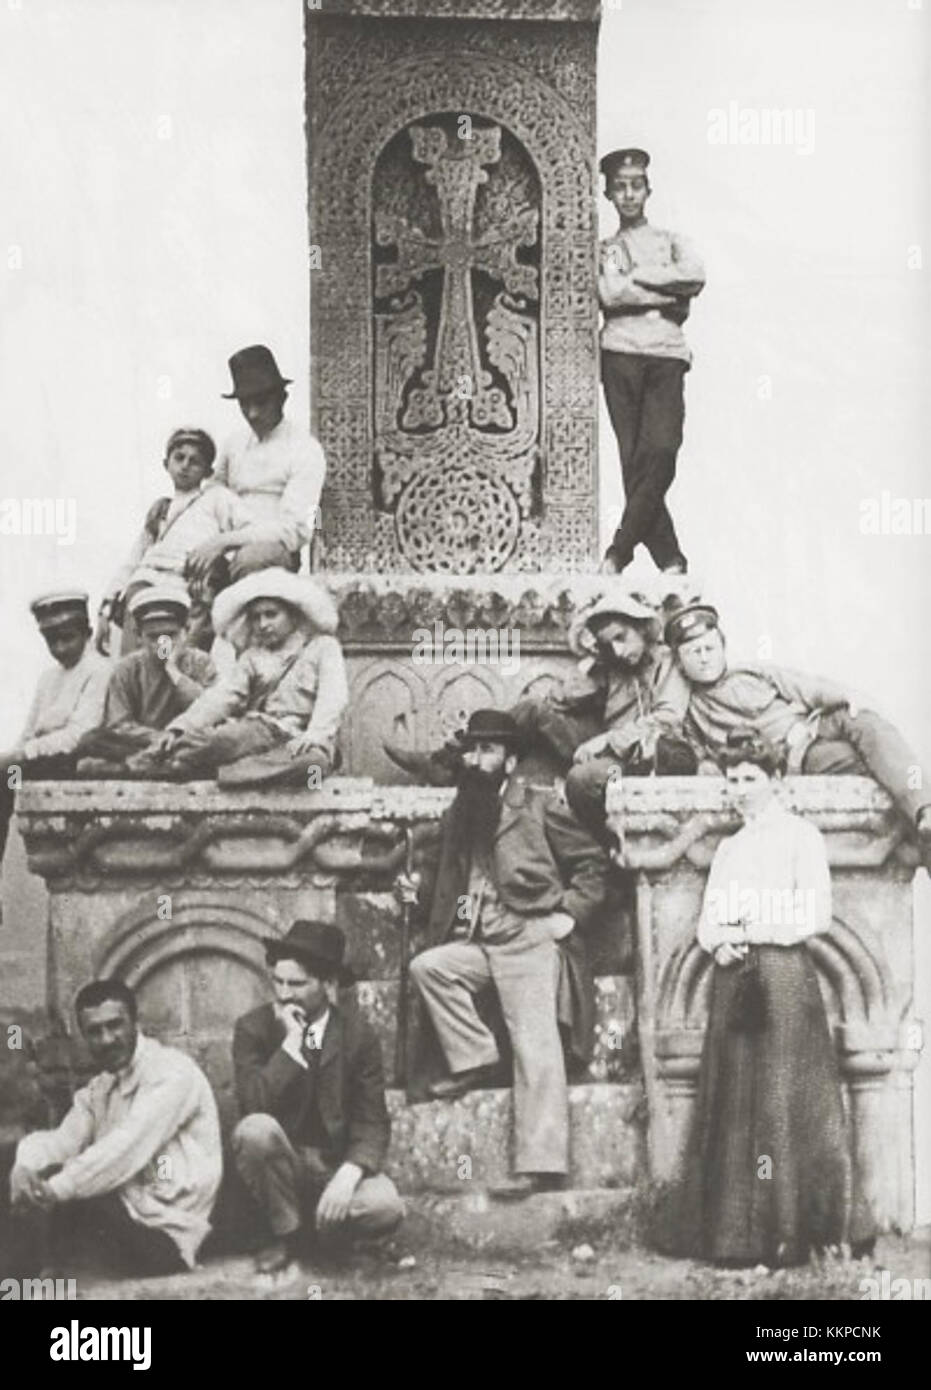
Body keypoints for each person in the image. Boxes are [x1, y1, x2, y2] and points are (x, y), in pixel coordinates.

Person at [656, 731, 875, 1265]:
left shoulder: (800, 837)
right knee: (735, 1098)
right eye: (733, 779)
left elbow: (815, 915)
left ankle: (793, 1230)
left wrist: (757, 929)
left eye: (750, 778)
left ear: (775, 782)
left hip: (781, 977)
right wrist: (721, 940)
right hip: (735, 979)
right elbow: (709, 916)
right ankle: (737, 1235)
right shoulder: (731, 846)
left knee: (780, 1097)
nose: (740, 788)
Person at [405, 710, 610, 1198]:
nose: (477, 761)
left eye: (488, 751)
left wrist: (569, 917)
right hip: (479, 937)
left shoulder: (537, 805)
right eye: (472, 752)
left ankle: (540, 1164)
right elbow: (452, 875)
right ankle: (474, 1055)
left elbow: (593, 865)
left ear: (510, 760)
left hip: (528, 939)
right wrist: (417, 889)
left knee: (535, 1044)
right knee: (429, 968)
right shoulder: (464, 810)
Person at [665, 602, 931, 862]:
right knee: (861, 761)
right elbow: (706, 761)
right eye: (693, 652)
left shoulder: (752, 672)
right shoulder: (692, 712)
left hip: (817, 725)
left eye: (710, 648)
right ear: (680, 663)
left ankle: (926, 810)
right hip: (800, 754)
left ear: (723, 648)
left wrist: (849, 697)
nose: (704, 658)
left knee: (867, 722)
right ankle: (923, 824)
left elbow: (806, 687)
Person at [7, 979, 222, 1276]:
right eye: (94, 1031)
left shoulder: (172, 1073)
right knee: (9, 1160)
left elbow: (123, 1149)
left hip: (167, 1233)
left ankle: (19, 1273)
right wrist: (23, 1167)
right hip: (120, 1209)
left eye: (115, 1025)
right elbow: (63, 1140)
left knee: (68, 1194)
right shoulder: (101, 1087)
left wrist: (52, 1190)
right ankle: (17, 1274)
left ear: (136, 1022)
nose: (107, 1039)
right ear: (84, 1036)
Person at [231, 920, 403, 1274]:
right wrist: (291, 1046)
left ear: (328, 984)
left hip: (332, 1168)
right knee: (254, 1130)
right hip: (283, 1170)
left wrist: (349, 1174)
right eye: (277, 981)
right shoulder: (253, 1029)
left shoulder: (358, 1036)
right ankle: (289, 1236)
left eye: (297, 984)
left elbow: (372, 1120)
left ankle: (325, 1236)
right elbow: (253, 1106)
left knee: (386, 1205)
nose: (283, 994)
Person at [134, 568, 348, 783]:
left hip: (300, 743)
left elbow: (333, 697)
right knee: (217, 740)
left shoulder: (323, 647)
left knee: (314, 767)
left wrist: (315, 735)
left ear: (293, 615)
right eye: (256, 618)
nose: (263, 624)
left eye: (271, 614)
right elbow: (221, 698)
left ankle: (219, 773)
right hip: (257, 734)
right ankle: (209, 767)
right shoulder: (252, 657)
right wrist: (178, 729)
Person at [598, 148, 705, 576]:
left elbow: (695, 274)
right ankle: (671, 561)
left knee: (661, 449)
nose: (628, 194)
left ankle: (618, 552)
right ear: (608, 193)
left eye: (636, 185)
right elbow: (610, 294)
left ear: (648, 189)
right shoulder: (604, 249)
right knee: (634, 459)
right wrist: (666, 288)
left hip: (665, 352)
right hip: (620, 351)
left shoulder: (671, 241)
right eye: (620, 187)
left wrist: (637, 276)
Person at [96, 427, 251, 654]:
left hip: (186, 586)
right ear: (166, 463)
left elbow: (250, 530)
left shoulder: (217, 498)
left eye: (195, 461)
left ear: (208, 471)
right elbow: (133, 560)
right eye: (179, 458)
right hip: (145, 584)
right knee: (136, 661)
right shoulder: (160, 511)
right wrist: (106, 607)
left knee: (175, 659)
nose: (186, 465)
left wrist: (218, 555)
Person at [185, 345, 326, 591]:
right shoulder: (235, 444)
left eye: (261, 402)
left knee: (249, 561)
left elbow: (296, 530)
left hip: (271, 552)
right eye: (244, 404)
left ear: (282, 397)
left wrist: (223, 543)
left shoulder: (306, 449)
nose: (252, 413)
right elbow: (211, 495)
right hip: (225, 545)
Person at [562, 590, 695, 839]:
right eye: (609, 644)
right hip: (620, 765)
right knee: (582, 777)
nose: (619, 650)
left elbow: (667, 719)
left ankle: (613, 848)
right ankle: (607, 846)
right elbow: (569, 696)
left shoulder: (669, 662)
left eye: (621, 637)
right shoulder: (613, 667)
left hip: (660, 759)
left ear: (642, 628)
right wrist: (593, 655)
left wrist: (608, 740)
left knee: (584, 778)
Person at [0, 592, 109, 866]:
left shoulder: (100, 671)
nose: (59, 648)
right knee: (4, 782)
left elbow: (81, 734)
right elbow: (28, 732)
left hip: (72, 763)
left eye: (67, 638)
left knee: (3, 778)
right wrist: (13, 756)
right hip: (36, 765)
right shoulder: (48, 679)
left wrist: (19, 756)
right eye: (51, 640)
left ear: (87, 632)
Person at [77, 586, 216, 776]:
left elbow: (210, 710)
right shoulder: (127, 668)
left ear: (185, 631)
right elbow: (118, 723)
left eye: (170, 635)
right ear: (139, 636)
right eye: (153, 637)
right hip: (147, 744)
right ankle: (156, 765)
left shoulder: (201, 662)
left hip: (183, 742)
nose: (162, 645)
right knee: (91, 739)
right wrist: (157, 737)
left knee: (210, 745)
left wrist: (173, 671)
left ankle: (128, 768)